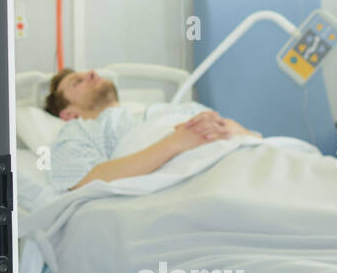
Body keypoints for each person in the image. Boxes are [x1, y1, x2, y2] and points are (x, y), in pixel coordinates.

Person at [43, 67, 261, 191]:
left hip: (243, 156)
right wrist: (175, 143)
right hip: (202, 180)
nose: (90, 73)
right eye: (77, 82)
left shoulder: (171, 110)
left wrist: (228, 129)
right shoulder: (79, 130)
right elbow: (84, 182)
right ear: (68, 114)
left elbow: (245, 133)